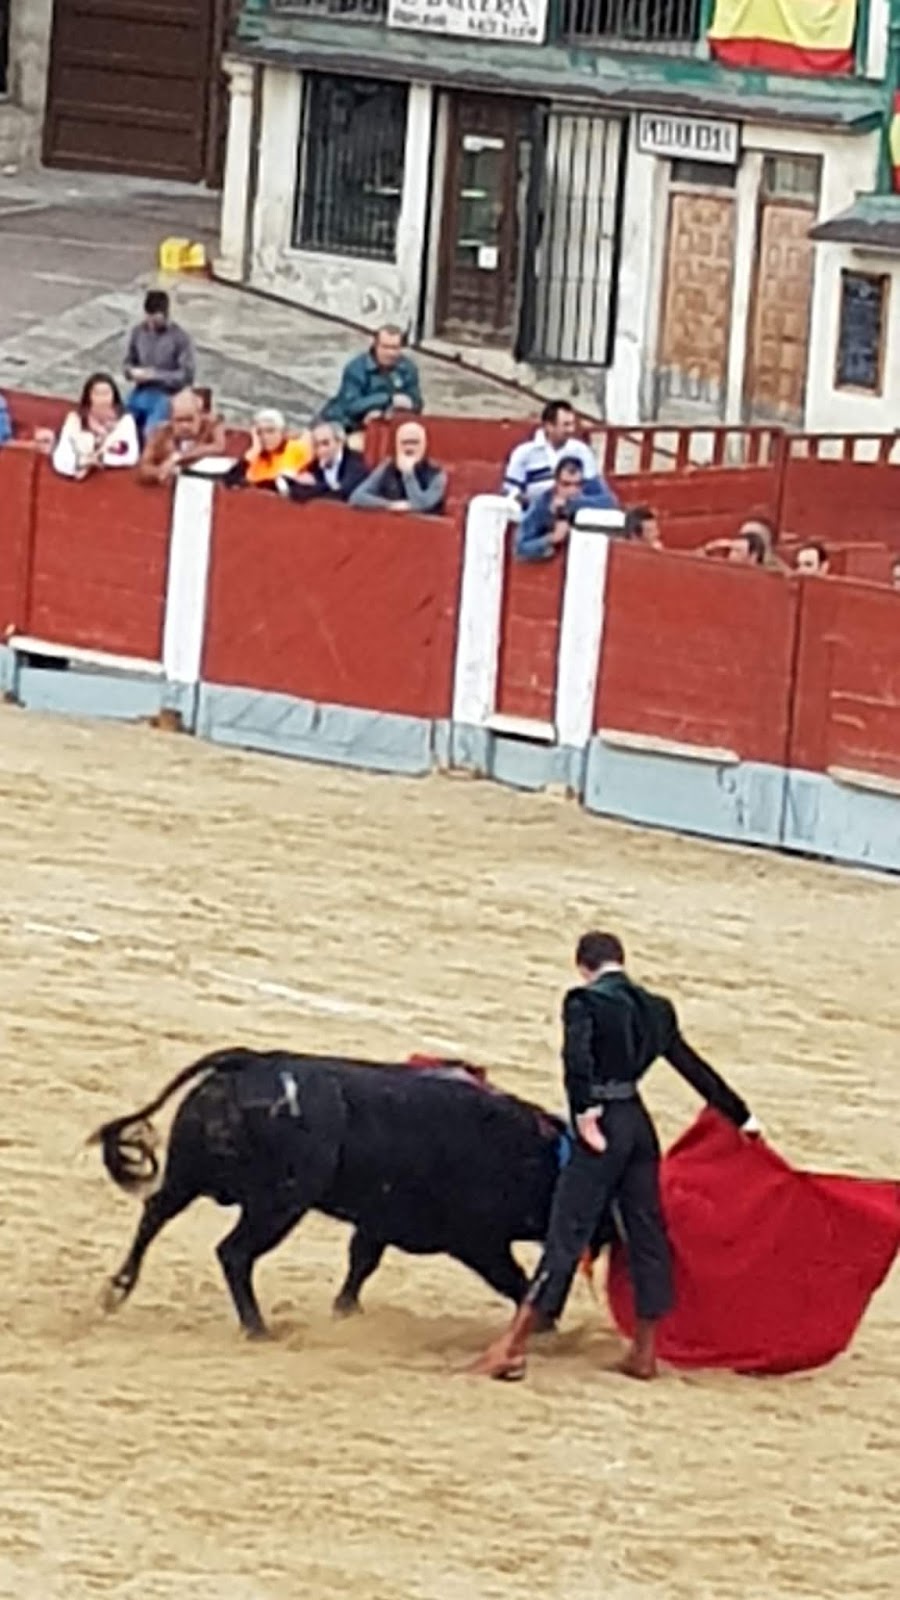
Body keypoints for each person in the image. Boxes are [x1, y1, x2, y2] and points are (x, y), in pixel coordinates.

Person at [469, 930, 758, 1383]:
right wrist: (741, 1117)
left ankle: (512, 1346)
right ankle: (644, 1353)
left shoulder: (584, 1002)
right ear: (620, 960)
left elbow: (577, 1062)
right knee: (647, 1234)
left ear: (583, 964)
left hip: (603, 1123)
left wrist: (586, 1115)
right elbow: (693, 1067)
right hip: (639, 1127)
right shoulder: (657, 1008)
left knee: (567, 1231)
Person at [320, 326, 422, 444]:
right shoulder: (356, 368)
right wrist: (387, 399)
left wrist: (409, 404)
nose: (390, 353)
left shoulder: (407, 368)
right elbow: (350, 407)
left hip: (387, 425)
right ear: (375, 345)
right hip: (346, 424)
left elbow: (417, 404)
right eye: (385, 347)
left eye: (395, 348)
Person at [502, 400, 607, 509]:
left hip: (575, 516)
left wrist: (570, 503)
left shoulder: (581, 451)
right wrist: (539, 504)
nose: (571, 430)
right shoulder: (524, 453)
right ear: (549, 426)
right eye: (566, 425)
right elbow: (510, 492)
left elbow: (598, 494)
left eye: (572, 424)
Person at [515, 457, 618, 562]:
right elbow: (520, 548)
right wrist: (551, 538)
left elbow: (612, 502)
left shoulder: (587, 489)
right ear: (556, 483)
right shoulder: (543, 503)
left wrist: (571, 504)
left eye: (577, 485)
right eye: (566, 484)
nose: (572, 490)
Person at [124, 291, 195, 442]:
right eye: (148, 318)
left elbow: (186, 375)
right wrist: (131, 372)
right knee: (122, 425)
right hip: (141, 391)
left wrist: (155, 375)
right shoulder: (138, 332)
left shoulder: (180, 337)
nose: (151, 324)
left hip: (167, 395)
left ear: (165, 314)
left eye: (155, 319)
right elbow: (128, 362)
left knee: (151, 432)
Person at [50, 373, 139, 480]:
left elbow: (131, 456)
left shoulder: (125, 421)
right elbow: (61, 457)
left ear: (114, 395)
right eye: (97, 394)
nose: (102, 399)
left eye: (106, 393)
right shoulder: (75, 419)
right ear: (89, 396)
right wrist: (83, 461)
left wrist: (100, 458)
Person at [350, 421, 446, 515]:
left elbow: (421, 505)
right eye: (405, 443)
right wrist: (390, 505)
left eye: (414, 442)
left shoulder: (436, 473)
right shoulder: (388, 466)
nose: (409, 448)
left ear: (424, 445)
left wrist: (408, 474)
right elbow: (357, 497)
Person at [137, 388, 226, 486]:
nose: (185, 426)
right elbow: (143, 468)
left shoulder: (212, 424)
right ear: (170, 419)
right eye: (179, 420)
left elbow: (218, 446)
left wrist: (178, 457)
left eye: (189, 419)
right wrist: (159, 472)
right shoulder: (159, 433)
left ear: (200, 415)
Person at [278, 421, 368, 504]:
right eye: (316, 445)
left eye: (326, 443)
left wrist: (315, 485)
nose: (321, 450)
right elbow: (297, 492)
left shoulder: (355, 463)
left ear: (340, 442)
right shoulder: (315, 464)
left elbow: (342, 493)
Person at [227, 409, 312, 491]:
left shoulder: (296, 449)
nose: (265, 437)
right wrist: (254, 451)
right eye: (259, 432)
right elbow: (229, 482)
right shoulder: (255, 456)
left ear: (282, 432)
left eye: (270, 431)